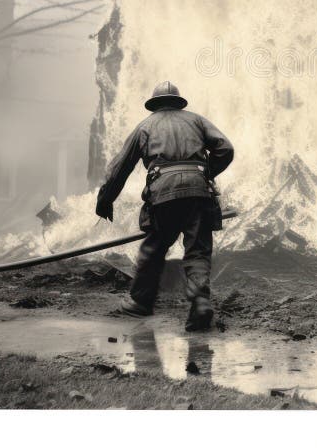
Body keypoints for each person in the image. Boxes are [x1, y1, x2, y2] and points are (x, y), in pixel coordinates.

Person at [95, 81, 234, 331]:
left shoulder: (145, 126)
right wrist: (206, 173)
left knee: (154, 248)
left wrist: (105, 201)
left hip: (164, 194)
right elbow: (225, 149)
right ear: (178, 102)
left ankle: (141, 302)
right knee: (198, 252)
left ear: (155, 104)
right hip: (199, 193)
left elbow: (120, 168)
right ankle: (200, 302)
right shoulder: (197, 120)